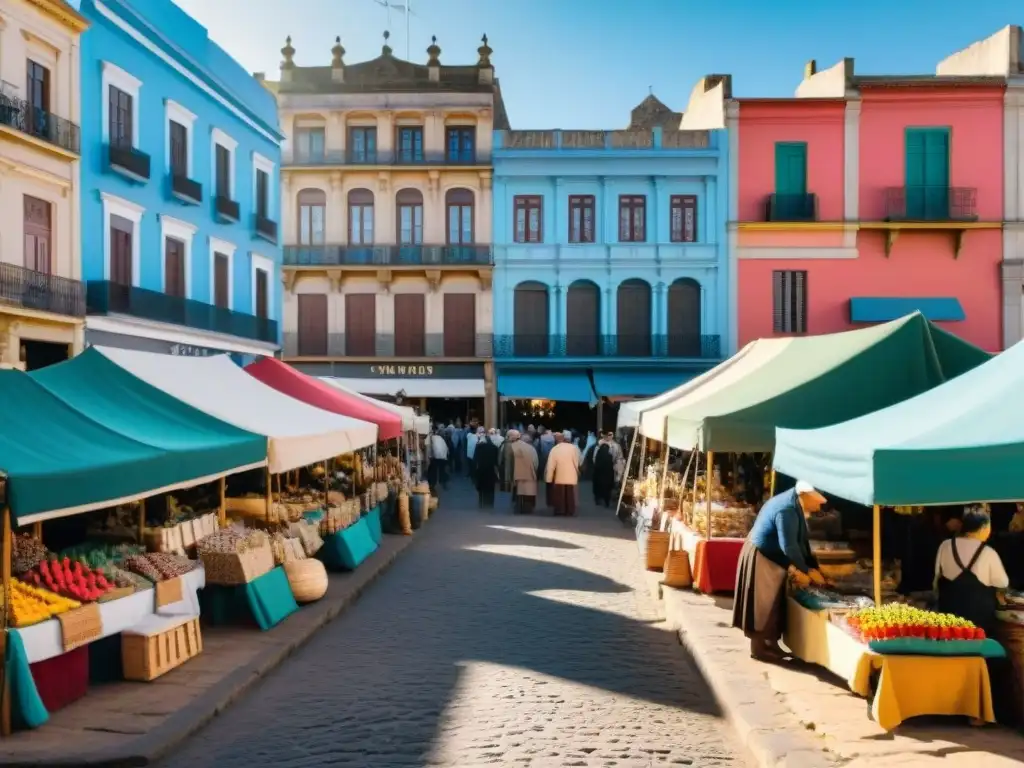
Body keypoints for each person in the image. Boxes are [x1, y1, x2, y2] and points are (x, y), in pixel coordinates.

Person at [733, 480, 828, 662]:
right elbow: (790, 547)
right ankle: (759, 648)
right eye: (817, 500)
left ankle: (771, 644)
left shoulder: (794, 504)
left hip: (773, 554)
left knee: (775, 602)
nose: (820, 504)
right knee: (763, 604)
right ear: (806, 495)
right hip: (763, 554)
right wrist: (806, 570)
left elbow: (801, 542)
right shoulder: (787, 509)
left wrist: (812, 566)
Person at [934, 506, 1008, 638]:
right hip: (978, 623)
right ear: (984, 527)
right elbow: (1002, 582)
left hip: (949, 618)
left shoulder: (945, 545)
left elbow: (936, 577)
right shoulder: (988, 552)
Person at [545, 431, 580, 517]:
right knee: (569, 493)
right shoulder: (573, 448)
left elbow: (550, 465)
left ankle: (560, 510)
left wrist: (548, 478)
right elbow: (577, 462)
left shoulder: (555, 449)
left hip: (559, 475)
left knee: (559, 493)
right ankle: (570, 510)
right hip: (571, 474)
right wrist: (578, 472)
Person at [510, 432, 539, 514]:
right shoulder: (532, 449)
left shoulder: (514, 448)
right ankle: (528, 509)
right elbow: (535, 462)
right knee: (528, 493)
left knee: (518, 492)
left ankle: (518, 507)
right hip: (529, 474)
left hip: (517, 474)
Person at [472, 427, 499, 509]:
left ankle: (481, 503)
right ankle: (490, 504)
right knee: (490, 489)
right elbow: (496, 461)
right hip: (490, 471)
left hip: (481, 470)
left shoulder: (479, 447)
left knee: (481, 488)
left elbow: (474, 459)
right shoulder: (494, 448)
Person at [591, 433, 616, 507]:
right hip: (608, 475)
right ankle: (606, 501)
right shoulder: (609, 455)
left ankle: (598, 499)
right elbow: (613, 464)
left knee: (598, 487)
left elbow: (594, 460)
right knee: (607, 488)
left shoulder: (599, 454)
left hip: (599, 474)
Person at [426, 427, 449, 492]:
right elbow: (446, 447)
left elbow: (430, 448)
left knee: (433, 470)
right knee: (442, 470)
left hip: (436, 457)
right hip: (444, 457)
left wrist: (430, 456)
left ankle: (433, 484)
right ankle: (443, 483)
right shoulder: (440, 438)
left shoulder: (431, 438)